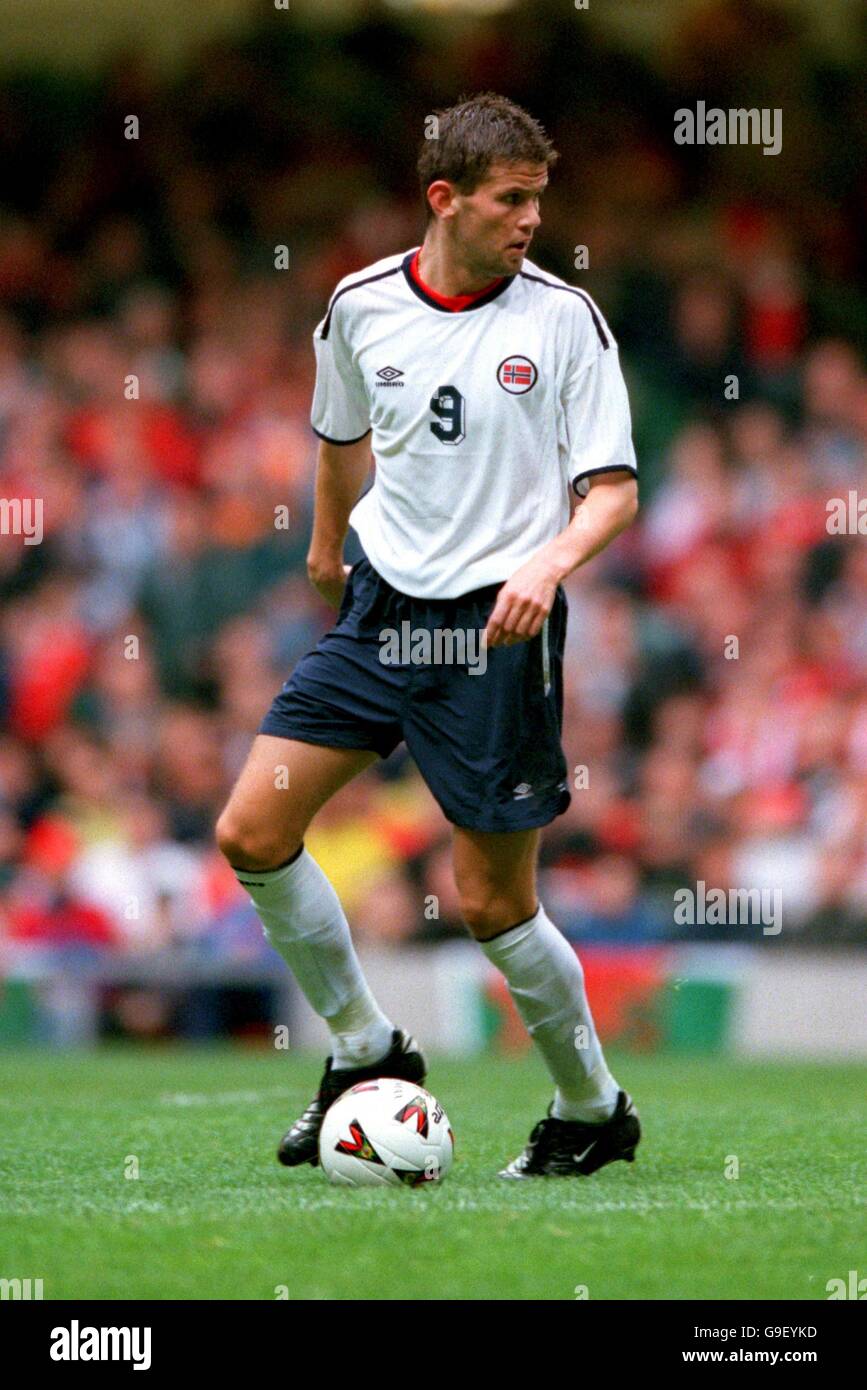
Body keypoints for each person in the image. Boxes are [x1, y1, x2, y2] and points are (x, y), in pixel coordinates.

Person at [216, 93, 641, 1178]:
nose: (532, 219)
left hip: (498, 630)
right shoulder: (359, 305)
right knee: (252, 831)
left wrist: (548, 563)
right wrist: (324, 550)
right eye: (512, 199)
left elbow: (612, 493)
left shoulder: (563, 320)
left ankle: (592, 1108)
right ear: (444, 199)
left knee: (492, 903)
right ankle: (364, 1051)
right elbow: (339, 439)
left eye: (539, 199)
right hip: (380, 612)